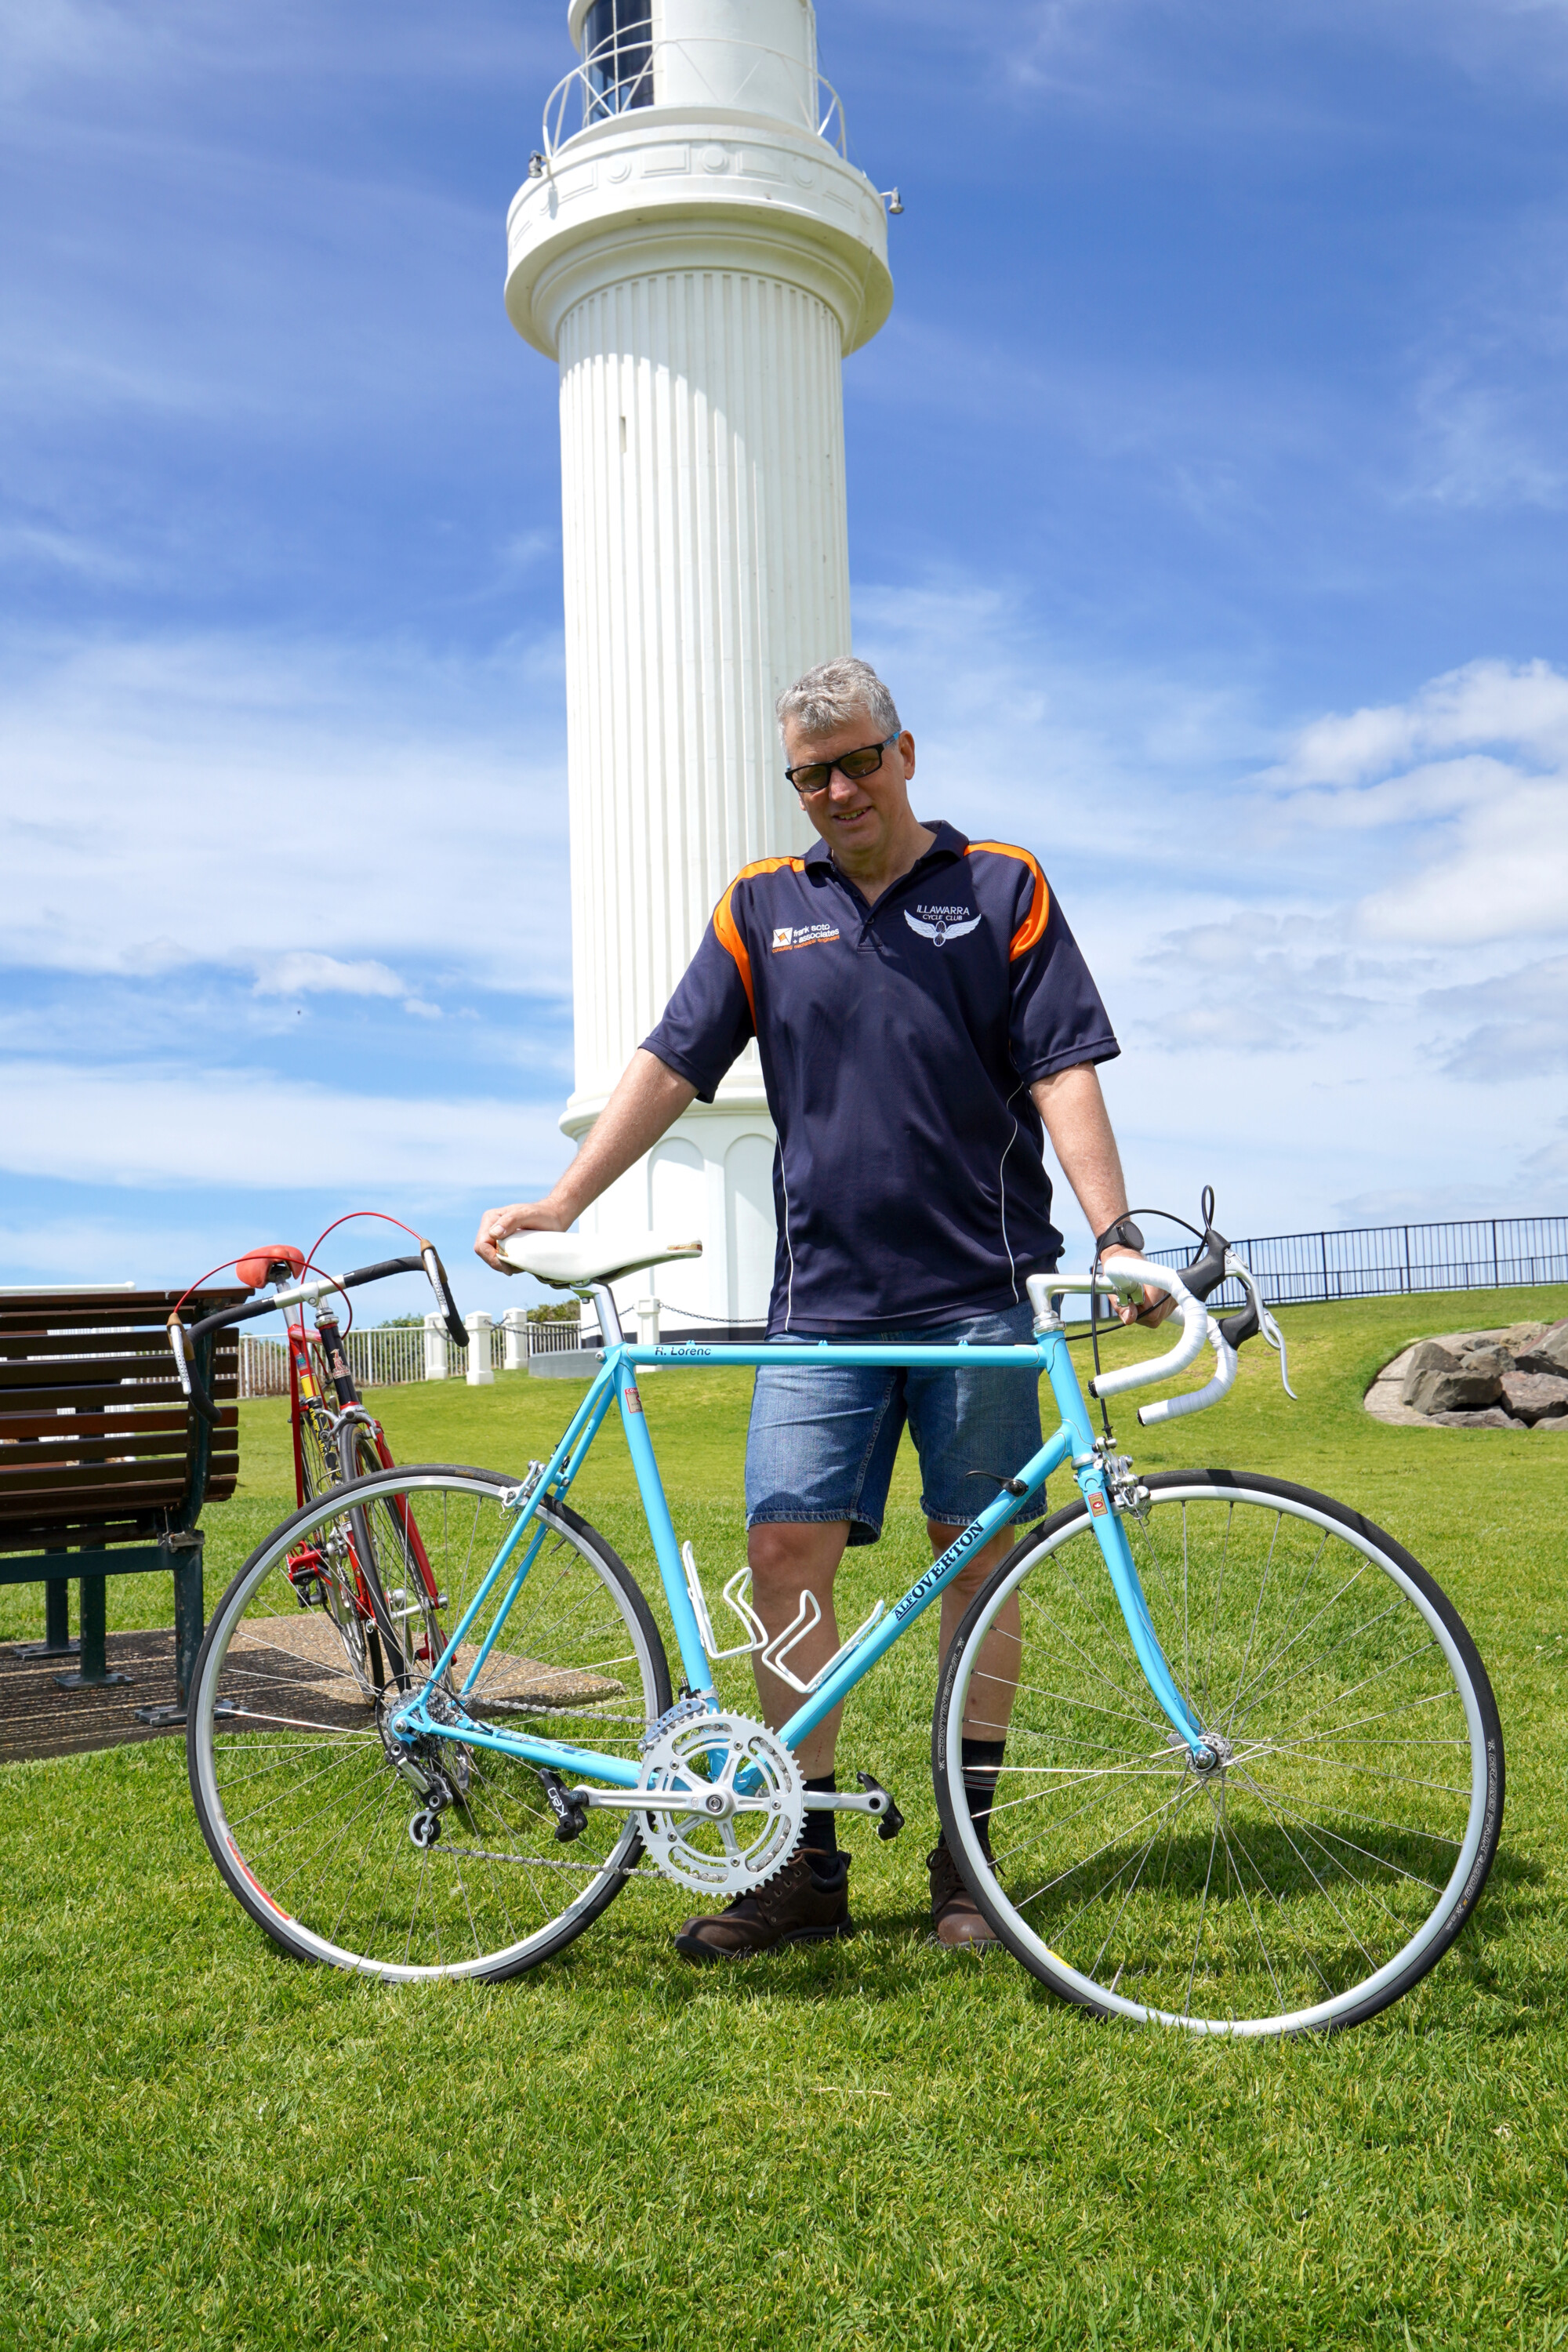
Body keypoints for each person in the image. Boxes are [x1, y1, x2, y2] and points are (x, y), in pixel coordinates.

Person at [475, 655, 1165, 1960]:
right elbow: (673, 1061)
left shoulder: (1002, 886)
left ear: (908, 751)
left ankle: (971, 1863)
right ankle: (797, 1863)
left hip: (981, 1292)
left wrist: (1116, 1231)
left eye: (856, 760)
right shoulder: (761, 905)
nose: (837, 790)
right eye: (810, 773)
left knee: (980, 1564)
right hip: (825, 1306)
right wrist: (565, 1200)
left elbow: (1065, 1064)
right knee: (786, 1558)